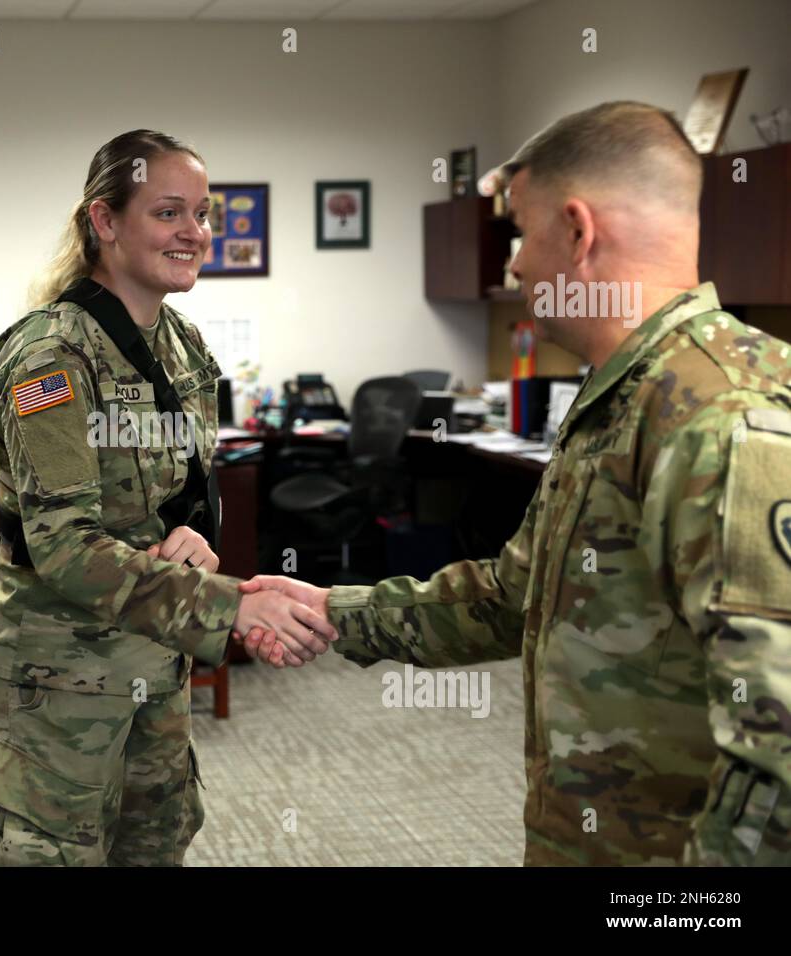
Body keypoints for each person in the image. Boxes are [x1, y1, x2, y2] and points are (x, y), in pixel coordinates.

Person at [237, 101, 791, 866]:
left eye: (520, 234)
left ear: (577, 230)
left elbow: (779, 751)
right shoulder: (623, 395)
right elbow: (513, 596)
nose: (514, 265)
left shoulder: (721, 414)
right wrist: (333, 609)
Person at [0, 129, 336, 867]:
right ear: (105, 221)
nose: (195, 233)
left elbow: (181, 493)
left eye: (203, 214)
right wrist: (231, 605)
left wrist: (193, 537)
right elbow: (65, 549)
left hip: (153, 659)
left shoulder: (183, 346)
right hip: (54, 678)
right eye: (169, 213)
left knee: (156, 845)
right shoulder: (50, 357)